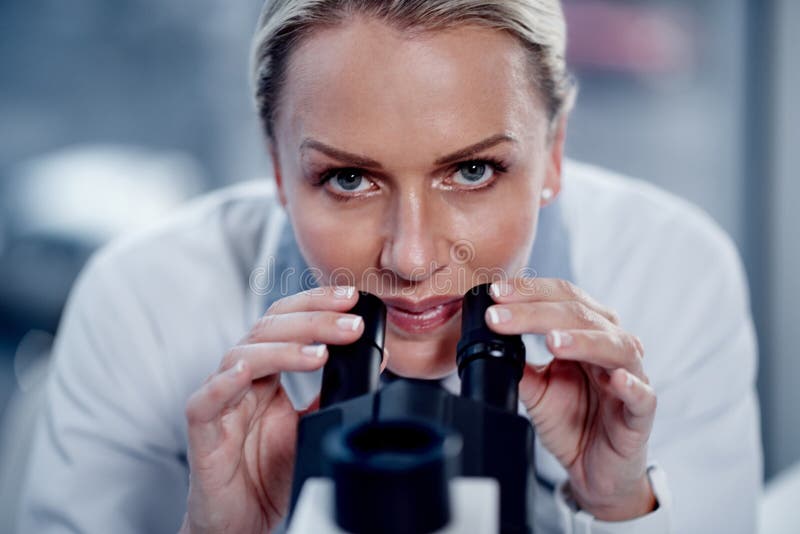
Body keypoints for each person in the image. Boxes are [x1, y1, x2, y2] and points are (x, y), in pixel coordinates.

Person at [18, 1, 762, 533]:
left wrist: (619, 506)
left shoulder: (673, 275)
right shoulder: (139, 304)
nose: (411, 258)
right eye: (348, 179)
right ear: (277, 167)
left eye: (472, 171)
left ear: (555, 152)